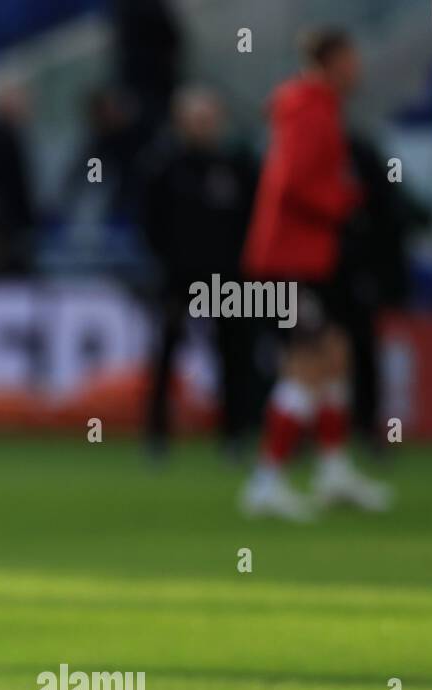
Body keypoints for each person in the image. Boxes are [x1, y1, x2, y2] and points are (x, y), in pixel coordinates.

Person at [239, 28, 390, 520]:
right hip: (287, 261)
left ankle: (332, 468)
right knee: (308, 362)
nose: (359, 69)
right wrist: (347, 201)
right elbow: (294, 184)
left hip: (308, 258)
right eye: (352, 59)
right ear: (331, 62)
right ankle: (266, 480)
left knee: (335, 354)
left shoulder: (318, 106)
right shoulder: (308, 108)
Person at [140, 87, 258, 457]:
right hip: (177, 275)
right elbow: (149, 222)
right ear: (181, 123)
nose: (202, 127)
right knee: (166, 353)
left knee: (234, 354)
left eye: (207, 119)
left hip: (227, 276)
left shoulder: (236, 165)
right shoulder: (164, 167)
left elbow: (252, 219)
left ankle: (234, 434)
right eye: (195, 120)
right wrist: (167, 260)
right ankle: (157, 435)